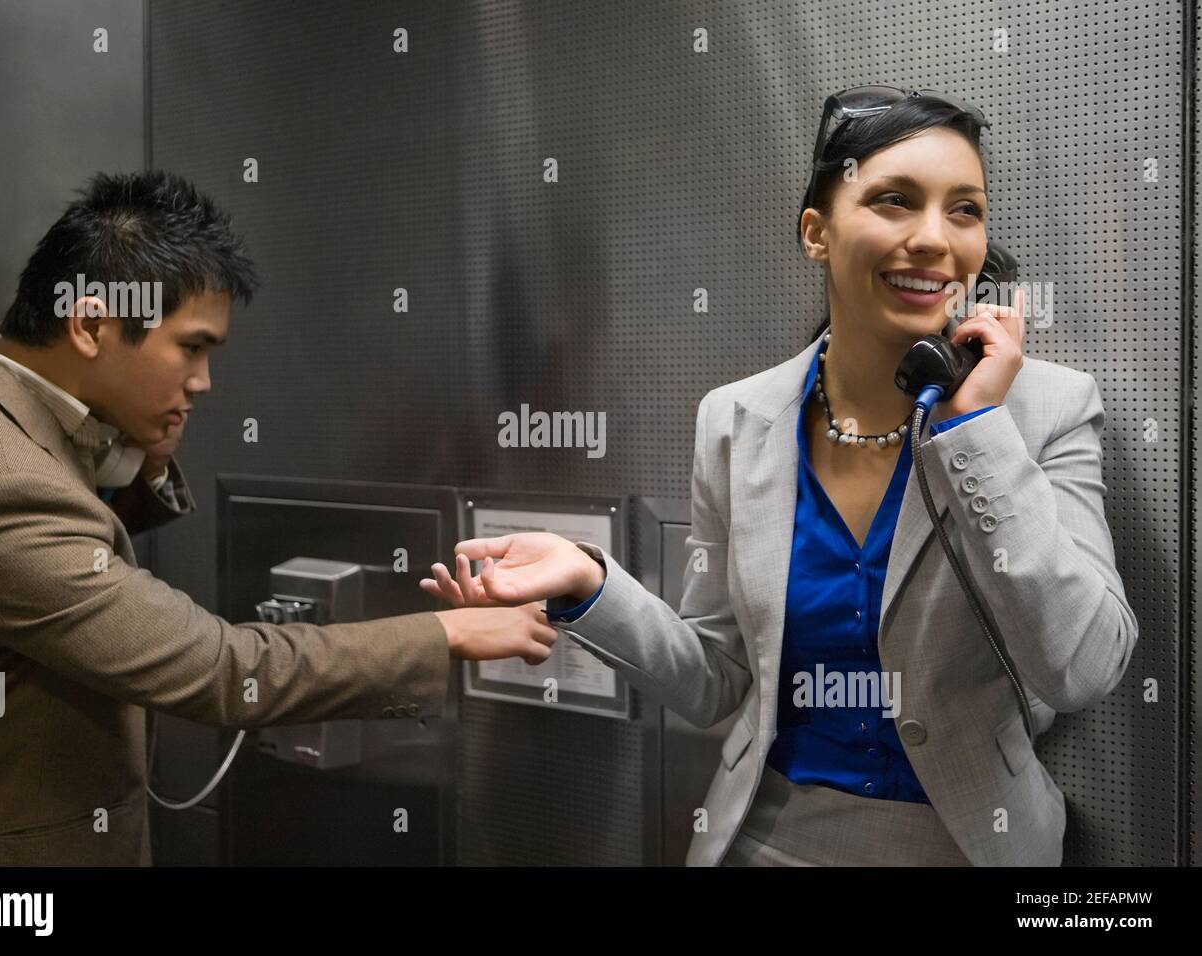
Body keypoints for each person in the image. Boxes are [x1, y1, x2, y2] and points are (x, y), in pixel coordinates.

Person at [421, 88, 1138, 867]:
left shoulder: (1046, 411)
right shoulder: (735, 420)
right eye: (895, 201)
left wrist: (974, 432)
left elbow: (1083, 668)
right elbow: (719, 680)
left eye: (964, 210)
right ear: (816, 234)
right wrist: (591, 586)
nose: (935, 238)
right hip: (767, 842)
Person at [0, 170, 556, 865]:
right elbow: (223, 670)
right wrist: (447, 634)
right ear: (90, 323)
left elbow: (42, 526)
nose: (203, 383)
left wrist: (136, 458)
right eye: (191, 347)